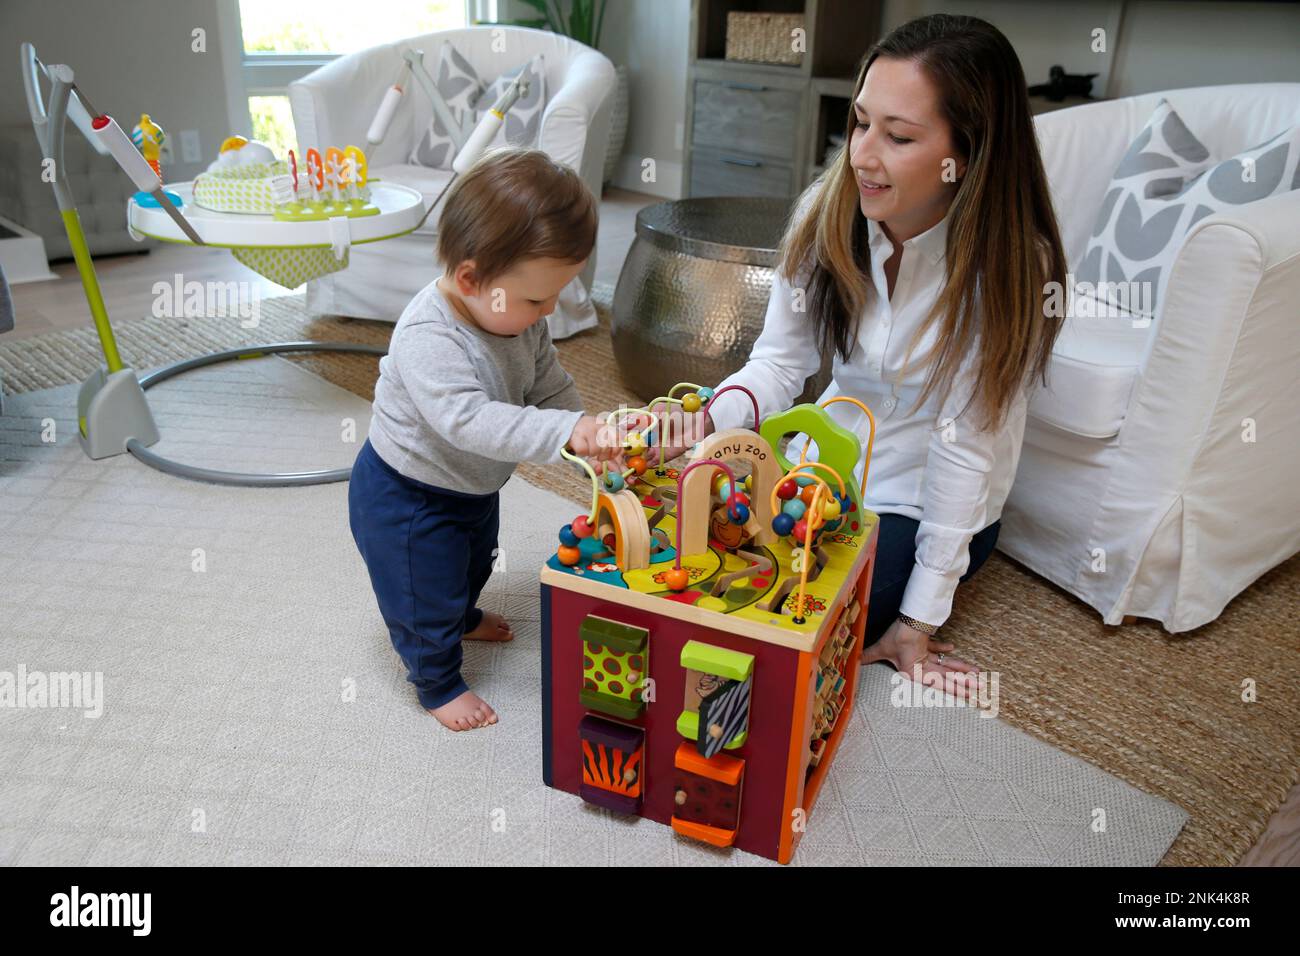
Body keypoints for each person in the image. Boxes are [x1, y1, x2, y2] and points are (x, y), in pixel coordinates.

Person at [650, 14, 1068, 696]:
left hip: (924, 501)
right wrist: (711, 429)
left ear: (968, 153)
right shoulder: (827, 211)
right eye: (860, 122)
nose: (863, 155)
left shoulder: (1013, 268)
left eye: (898, 136)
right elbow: (780, 365)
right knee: (712, 556)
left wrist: (918, 620)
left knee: (800, 636)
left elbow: (965, 452)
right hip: (824, 465)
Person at [349, 148, 620, 731]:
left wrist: (583, 443)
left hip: (471, 483)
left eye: (555, 294)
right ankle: (437, 681)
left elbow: (548, 387)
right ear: (471, 279)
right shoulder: (429, 334)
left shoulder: (519, 320)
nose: (548, 310)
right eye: (535, 298)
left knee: (473, 562)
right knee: (424, 592)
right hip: (409, 497)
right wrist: (561, 432)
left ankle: (464, 613)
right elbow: (467, 421)